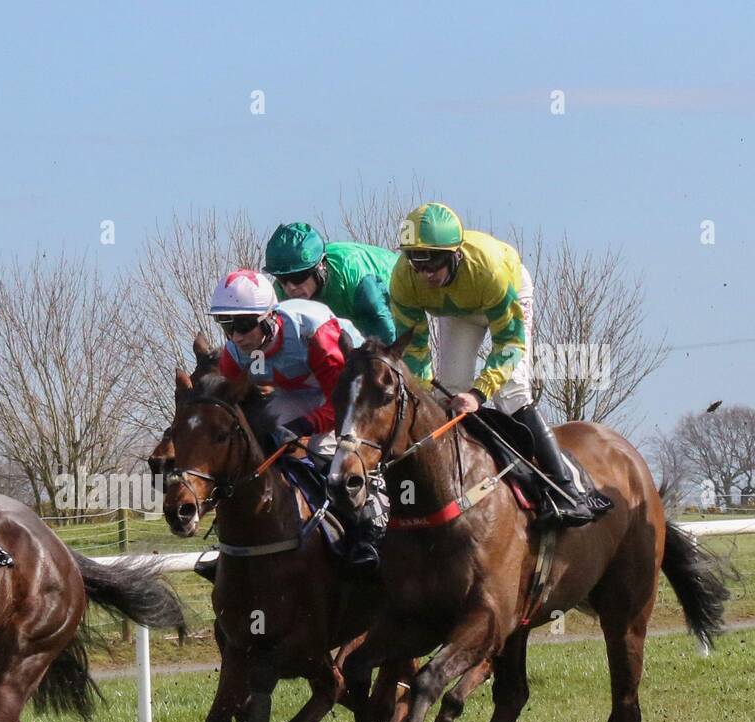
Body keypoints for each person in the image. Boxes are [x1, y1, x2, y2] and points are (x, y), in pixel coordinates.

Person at [390, 202, 604, 526]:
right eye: (416, 265)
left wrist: (480, 393)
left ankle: (564, 487)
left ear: (454, 255)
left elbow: (510, 343)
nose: (424, 275)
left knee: (512, 393)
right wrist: (425, 387)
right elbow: (415, 349)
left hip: (508, 292)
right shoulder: (403, 279)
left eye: (433, 265)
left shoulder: (488, 269)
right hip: (458, 310)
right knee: (446, 393)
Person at [208, 269, 386, 571]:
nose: (236, 337)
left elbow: (339, 404)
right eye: (226, 326)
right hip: (298, 390)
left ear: (269, 317)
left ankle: (368, 530)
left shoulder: (315, 332)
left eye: (243, 324)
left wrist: (304, 426)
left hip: (349, 391)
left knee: (333, 454)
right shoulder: (234, 355)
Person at [263, 222, 399, 344]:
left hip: (401, 296)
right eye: (282, 279)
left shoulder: (355, 278)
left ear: (320, 267)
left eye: (298, 277)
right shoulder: (279, 294)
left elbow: (387, 336)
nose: (290, 287)